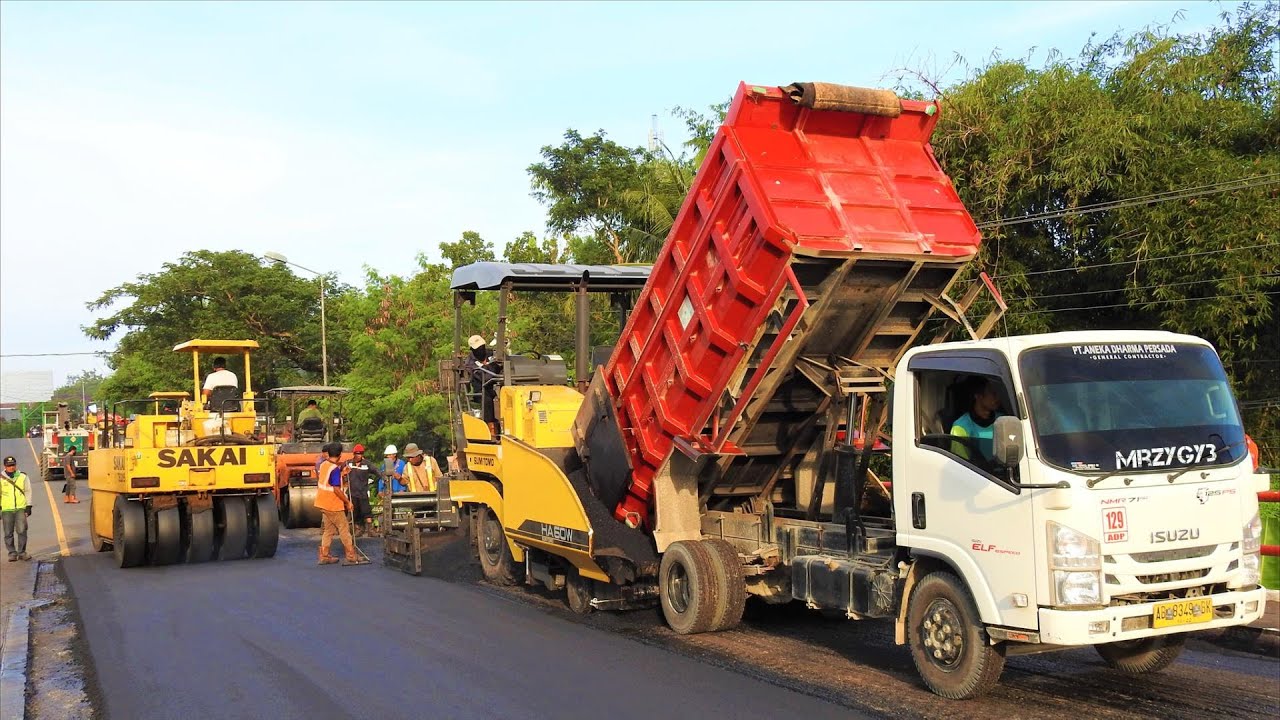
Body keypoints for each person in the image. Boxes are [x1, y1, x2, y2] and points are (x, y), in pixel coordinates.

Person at [313, 442, 358, 565]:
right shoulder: (335, 469)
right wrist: (347, 502)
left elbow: (327, 480)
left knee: (329, 530)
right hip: (333, 504)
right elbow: (336, 489)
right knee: (344, 528)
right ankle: (351, 555)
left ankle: (324, 555)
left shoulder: (324, 465)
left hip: (322, 502)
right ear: (340, 455)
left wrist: (342, 474)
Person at [950, 377, 1005, 463]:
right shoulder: (961, 426)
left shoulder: (1004, 421)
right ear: (978, 395)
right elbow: (961, 464)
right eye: (993, 393)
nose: (997, 397)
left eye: (998, 393)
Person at [1, 456, 34, 562]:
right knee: (8, 533)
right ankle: (12, 553)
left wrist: (28, 506)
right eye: (9, 466)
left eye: (13, 465)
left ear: (16, 465)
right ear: (4, 466)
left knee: (22, 531)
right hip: (6, 509)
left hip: (20, 508)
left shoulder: (23, 476)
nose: (11, 467)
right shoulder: (1, 478)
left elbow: (28, 491)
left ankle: (22, 552)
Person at [345, 444, 378, 537]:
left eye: (360, 453)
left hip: (363, 492)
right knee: (354, 512)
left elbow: (376, 471)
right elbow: (340, 472)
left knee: (366, 511)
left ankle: (370, 529)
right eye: (357, 453)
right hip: (352, 493)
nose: (358, 455)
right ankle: (358, 529)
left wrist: (383, 479)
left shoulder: (367, 464)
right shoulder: (348, 463)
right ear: (353, 454)